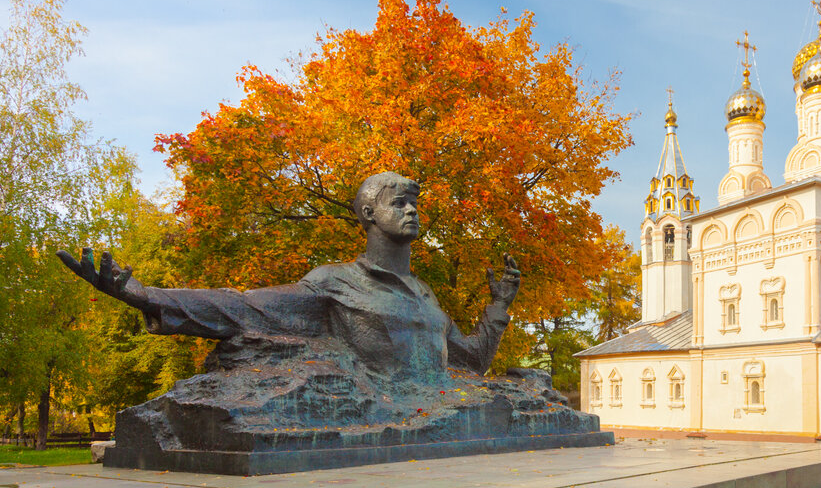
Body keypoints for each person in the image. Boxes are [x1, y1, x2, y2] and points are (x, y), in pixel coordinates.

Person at [58, 172, 520, 382]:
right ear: (367, 213)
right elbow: (241, 305)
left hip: (435, 423)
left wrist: (499, 306)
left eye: (415, 203)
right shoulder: (336, 283)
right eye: (399, 202)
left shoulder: (425, 294)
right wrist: (144, 295)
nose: (412, 210)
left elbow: (469, 362)